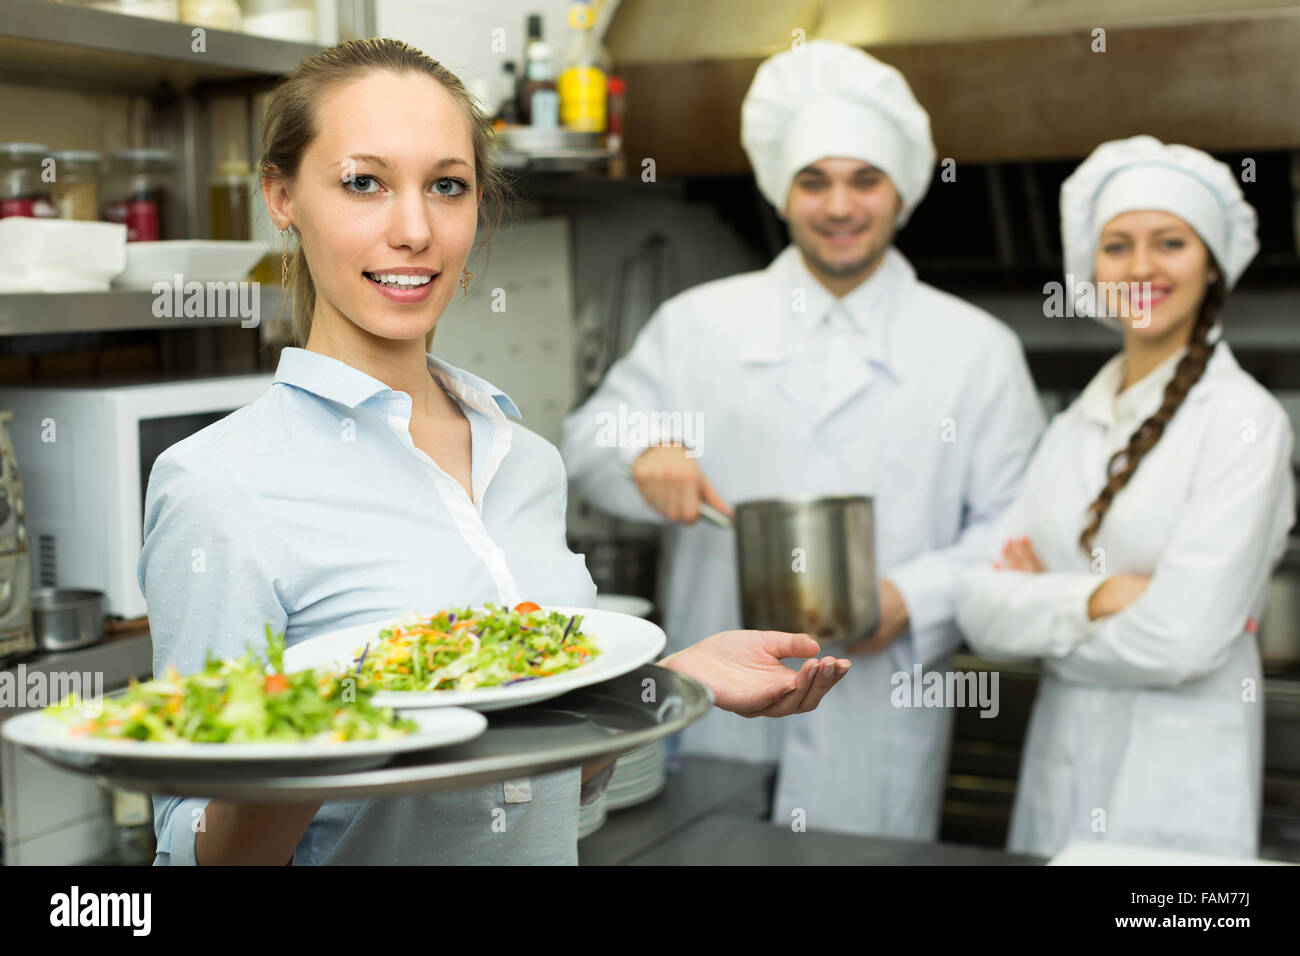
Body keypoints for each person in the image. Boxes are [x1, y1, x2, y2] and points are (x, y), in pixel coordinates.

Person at [141, 37, 850, 867]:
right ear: (281, 196)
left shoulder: (526, 463)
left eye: (447, 185)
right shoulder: (222, 485)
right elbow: (194, 850)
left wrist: (673, 677)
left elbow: (545, 775)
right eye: (363, 183)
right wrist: (316, 745)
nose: (414, 230)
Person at [560, 40, 1043, 839]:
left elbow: (1017, 528)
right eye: (814, 181)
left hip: (881, 710)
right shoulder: (698, 325)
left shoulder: (975, 349)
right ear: (782, 194)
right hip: (716, 710)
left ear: (902, 192)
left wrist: (913, 597)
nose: (840, 205)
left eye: (865, 180)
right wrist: (641, 456)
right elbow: (587, 441)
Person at [954, 135, 1294, 859]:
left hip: (1174, 786)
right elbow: (978, 605)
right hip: (1058, 769)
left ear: (1211, 266)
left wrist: (1045, 603)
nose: (1141, 267)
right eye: (1117, 247)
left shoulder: (1244, 421)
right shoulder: (1076, 420)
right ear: (1091, 269)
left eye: (1169, 242)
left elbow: (1184, 641)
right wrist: (1104, 598)